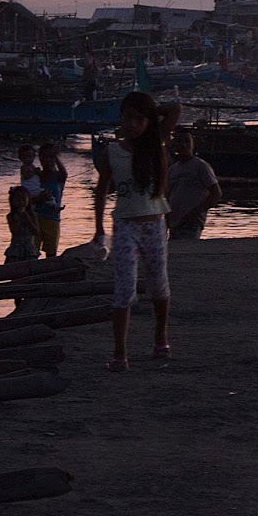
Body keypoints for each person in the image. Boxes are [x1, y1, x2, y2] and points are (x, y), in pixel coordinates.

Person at [94, 91, 180, 371]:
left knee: (158, 282)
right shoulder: (113, 151)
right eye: (127, 117)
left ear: (148, 122)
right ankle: (120, 353)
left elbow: (175, 109)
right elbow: (102, 189)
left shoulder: (157, 144)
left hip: (154, 222)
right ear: (119, 118)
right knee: (124, 287)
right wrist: (99, 227)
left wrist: (152, 114)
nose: (132, 124)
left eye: (138, 119)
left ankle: (160, 337)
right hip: (126, 225)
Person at [167, 129, 221, 240]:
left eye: (187, 141)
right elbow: (168, 194)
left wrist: (196, 212)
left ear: (192, 145)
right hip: (174, 220)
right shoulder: (173, 169)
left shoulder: (201, 166)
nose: (183, 145)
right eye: (179, 141)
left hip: (192, 222)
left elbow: (216, 193)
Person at [34, 141, 67, 257]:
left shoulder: (58, 176)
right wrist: (40, 198)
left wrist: (55, 156)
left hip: (52, 219)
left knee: (51, 253)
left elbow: (64, 173)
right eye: (43, 157)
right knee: (33, 252)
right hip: (36, 218)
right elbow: (28, 198)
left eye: (50, 157)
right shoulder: (36, 176)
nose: (47, 160)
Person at [4, 185, 41, 263]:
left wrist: (27, 218)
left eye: (23, 199)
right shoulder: (11, 216)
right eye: (17, 199)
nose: (21, 202)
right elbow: (14, 231)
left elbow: (36, 232)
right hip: (16, 248)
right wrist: (19, 219)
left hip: (29, 248)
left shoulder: (32, 215)